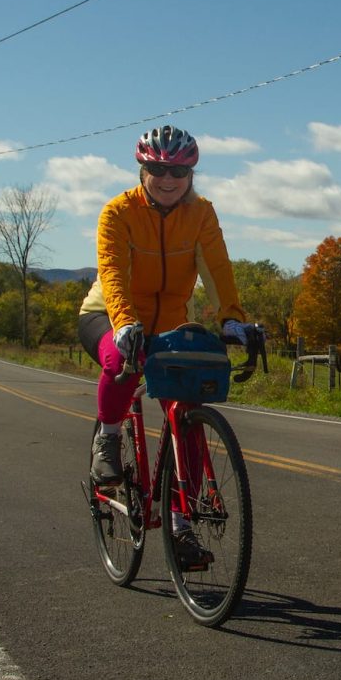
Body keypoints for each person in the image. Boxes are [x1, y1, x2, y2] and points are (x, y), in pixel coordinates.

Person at [78, 125, 261, 568]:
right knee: (121, 360)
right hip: (108, 315)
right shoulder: (118, 212)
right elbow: (114, 271)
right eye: (158, 168)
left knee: (188, 413)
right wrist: (123, 322)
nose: (168, 177)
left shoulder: (201, 213)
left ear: (190, 172)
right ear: (143, 169)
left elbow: (216, 267)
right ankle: (108, 439)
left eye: (178, 169)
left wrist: (232, 318)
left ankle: (181, 527)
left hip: (171, 321)